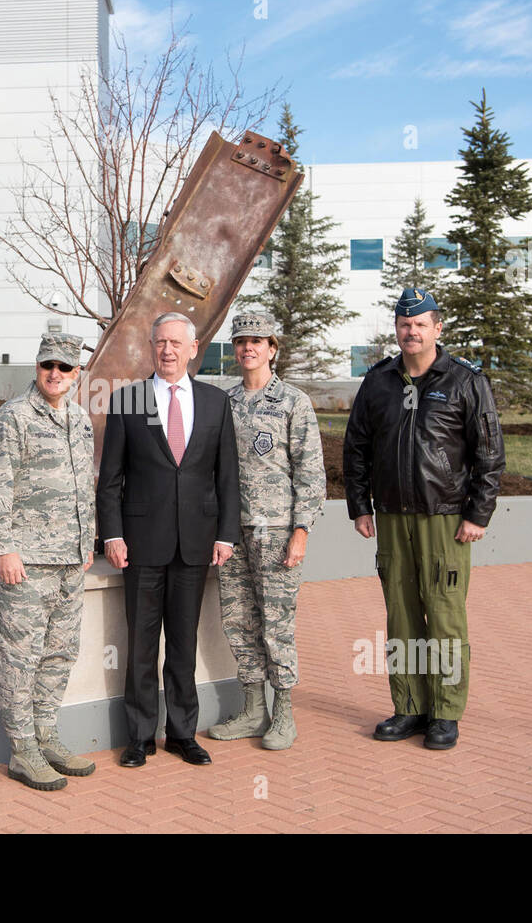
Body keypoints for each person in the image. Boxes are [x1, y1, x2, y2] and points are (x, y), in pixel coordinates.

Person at [342, 288, 504, 750]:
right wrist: (360, 505)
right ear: (396, 329)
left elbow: (489, 454)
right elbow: (356, 447)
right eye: (403, 324)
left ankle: (446, 712)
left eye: (419, 323)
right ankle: (409, 706)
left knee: (446, 615)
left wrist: (479, 513)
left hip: (446, 519)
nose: (411, 331)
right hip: (393, 518)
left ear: (437, 328)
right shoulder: (378, 381)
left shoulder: (465, 381)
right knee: (402, 615)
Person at [97, 311, 241, 768]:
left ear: (194, 348)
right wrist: (113, 534)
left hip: (196, 544)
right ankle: (139, 737)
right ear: (151, 346)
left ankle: (182, 733)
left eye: (177, 343)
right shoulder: (128, 401)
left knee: (183, 642)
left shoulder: (217, 403)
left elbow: (228, 477)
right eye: (161, 342)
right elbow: (110, 478)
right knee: (141, 643)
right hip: (140, 544)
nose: (168, 350)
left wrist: (226, 535)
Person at [0, 332, 97, 791]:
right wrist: (4, 547)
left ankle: (46, 734)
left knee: (60, 653)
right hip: (26, 564)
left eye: (65, 367)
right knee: (19, 658)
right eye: (49, 365)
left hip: (69, 562)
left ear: (77, 373)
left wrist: (88, 543)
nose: (55, 374)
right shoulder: (13, 418)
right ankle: (22, 748)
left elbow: (85, 486)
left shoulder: (79, 420)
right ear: (37, 367)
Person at [207, 312, 326, 751]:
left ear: (273, 348)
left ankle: (284, 714)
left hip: (275, 532)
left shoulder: (294, 402)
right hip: (230, 533)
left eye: (257, 341)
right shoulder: (225, 402)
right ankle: (253, 709)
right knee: (239, 621)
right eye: (240, 341)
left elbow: (310, 473)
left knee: (276, 624)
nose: (248, 348)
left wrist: (301, 530)